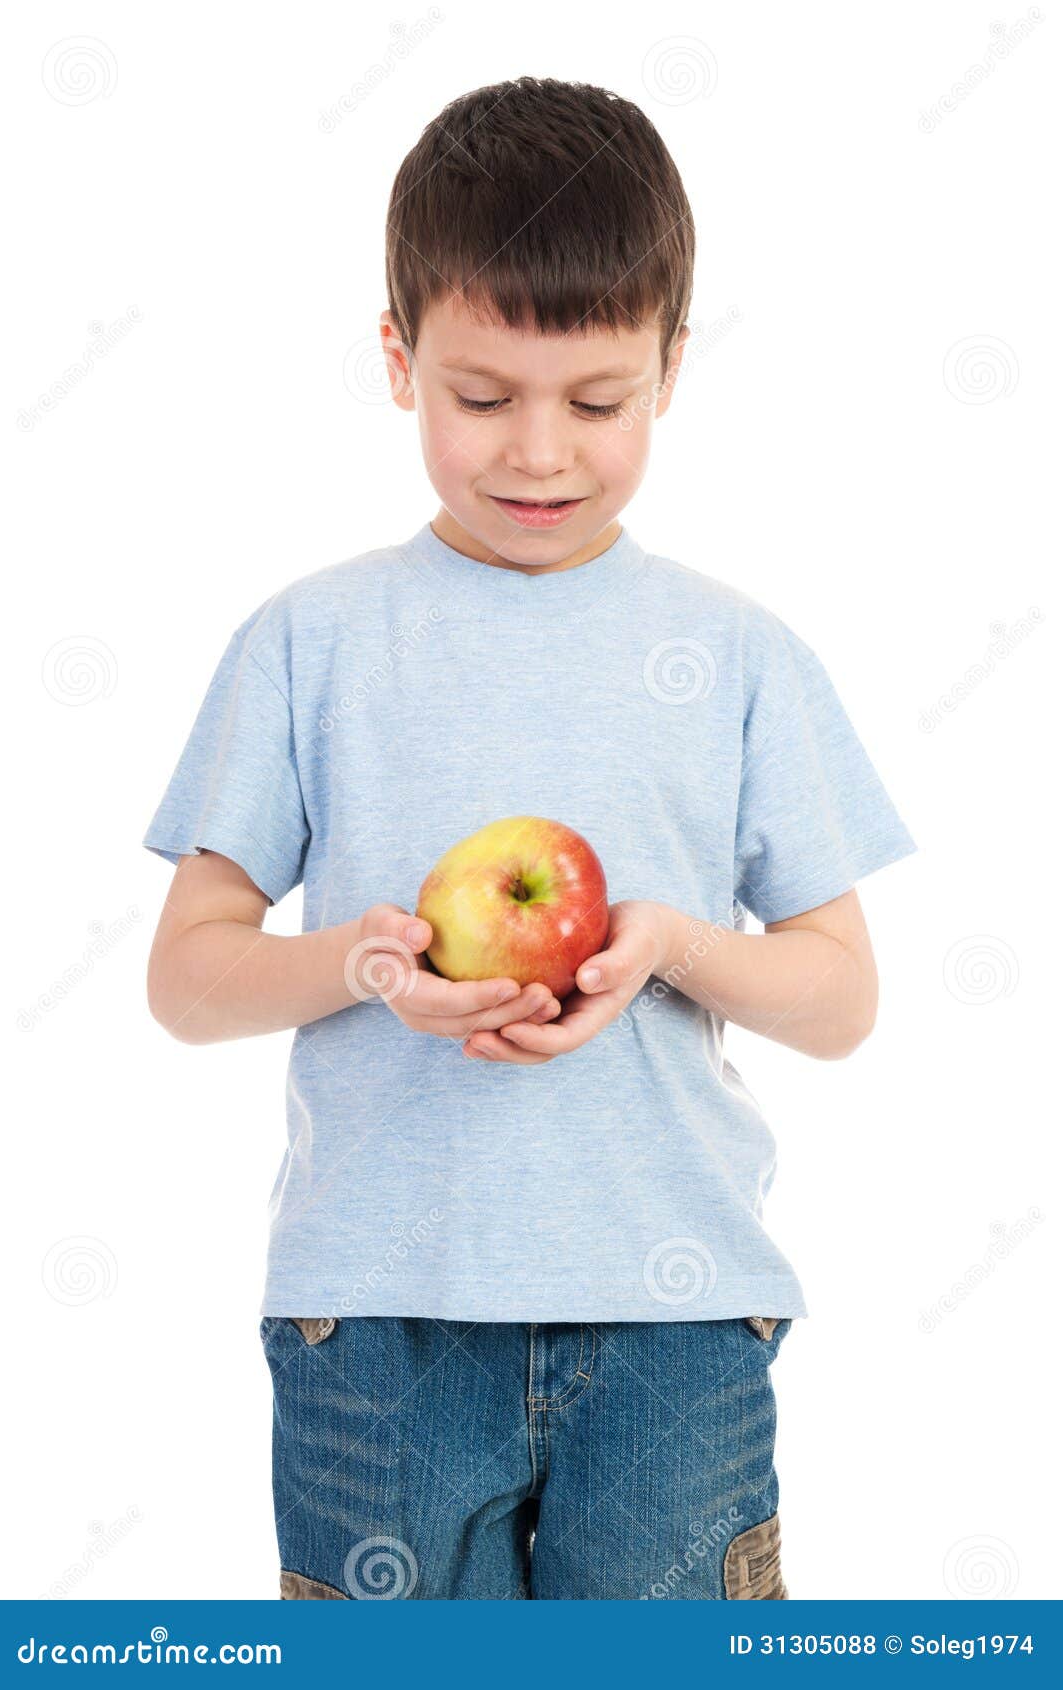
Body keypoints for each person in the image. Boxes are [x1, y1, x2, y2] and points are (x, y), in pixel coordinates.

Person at [143, 76, 916, 1600]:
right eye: (481, 397)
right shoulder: (312, 642)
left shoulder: (741, 654)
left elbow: (840, 999)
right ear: (396, 361)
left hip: (673, 1329)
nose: (540, 454)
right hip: (375, 1325)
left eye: (598, 401)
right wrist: (363, 966)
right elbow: (186, 980)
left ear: (672, 369)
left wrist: (675, 945)